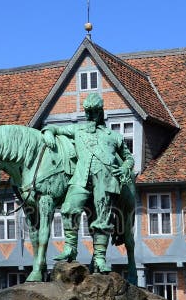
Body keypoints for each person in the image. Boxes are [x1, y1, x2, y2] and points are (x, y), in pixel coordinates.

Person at [42, 93, 134, 272]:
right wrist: (48, 133)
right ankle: (70, 247)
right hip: (81, 178)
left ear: (101, 113)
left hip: (105, 181)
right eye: (87, 112)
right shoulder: (78, 130)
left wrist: (124, 169)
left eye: (93, 112)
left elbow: (128, 158)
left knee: (103, 219)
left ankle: (99, 258)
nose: (90, 116)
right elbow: (53, 128)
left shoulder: (114, 136)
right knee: (69, 207)